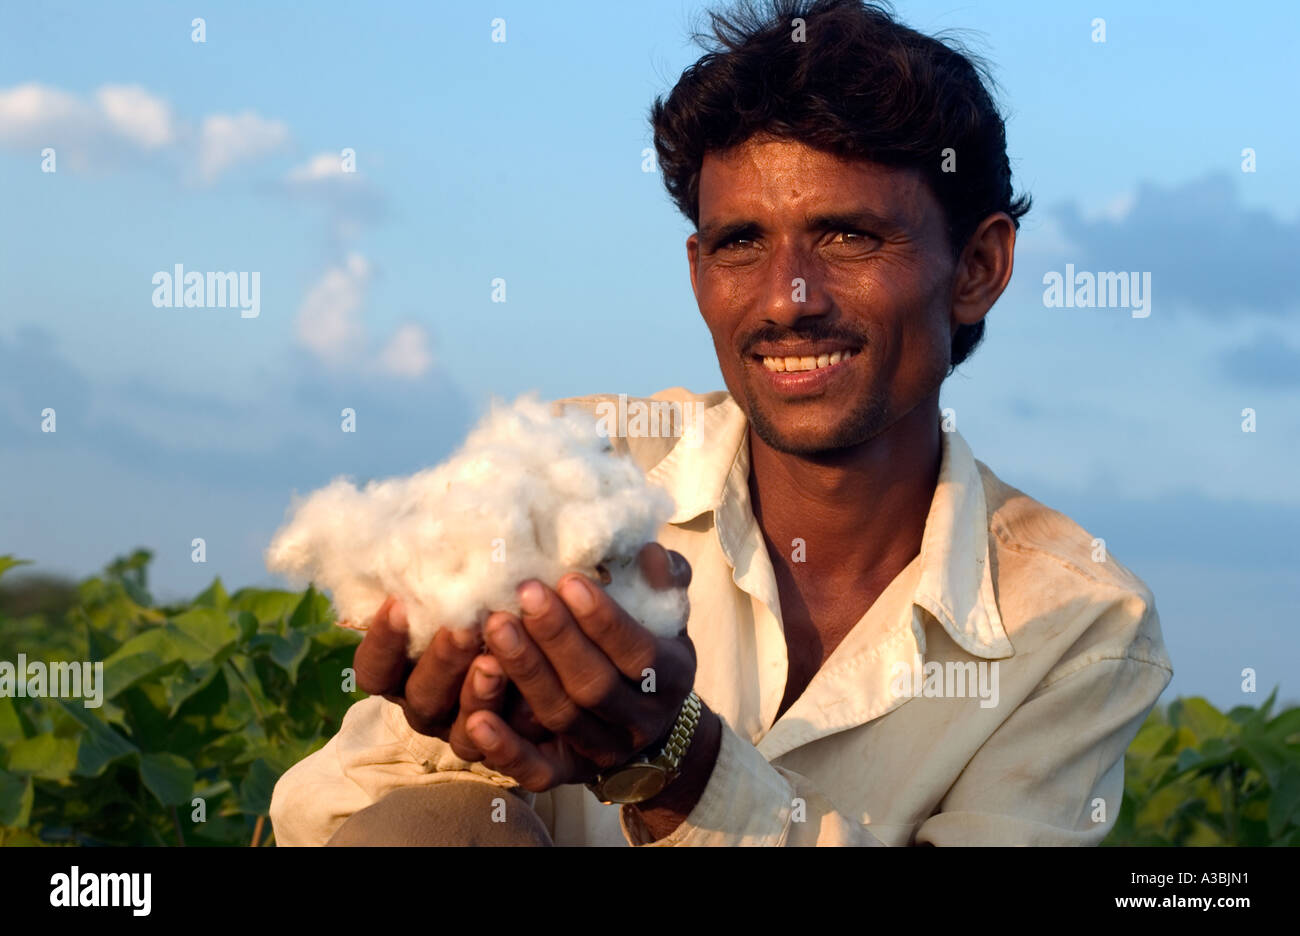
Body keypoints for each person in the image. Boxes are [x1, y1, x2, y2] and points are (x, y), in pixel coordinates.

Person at [269, 0, 1172, 846]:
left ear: (977, 267)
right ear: (700, 272)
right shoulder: (582, 470)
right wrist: (469, 752)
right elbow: (339, 801)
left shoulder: (1078, 622)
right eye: (742, 243)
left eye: (849, 236)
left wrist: (678, 768)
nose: (788, 300)